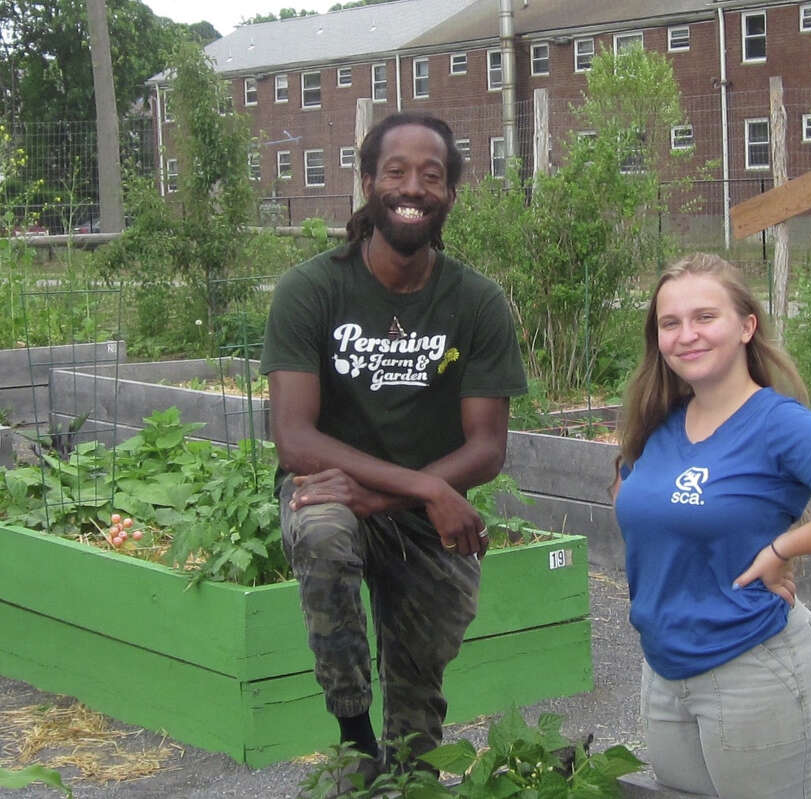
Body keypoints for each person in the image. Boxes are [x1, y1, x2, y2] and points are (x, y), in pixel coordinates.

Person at [260, 112, 527, 784]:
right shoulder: (312, 290)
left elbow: (487, 446)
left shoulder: (477, 302)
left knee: (418, 706)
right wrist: (431, 489)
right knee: (320, 529)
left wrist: (407, 492)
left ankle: (406, 768)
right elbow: (294, 438)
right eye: (397, 171)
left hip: (414, 507)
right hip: (333, 492)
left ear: (451, 196)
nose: (414, 187)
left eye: (431, 176)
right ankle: (354, 740)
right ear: (369, 183)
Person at [611, 253, 811, 799]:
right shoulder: (659, 422)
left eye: (705, 317)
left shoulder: (778, 423)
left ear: (746, 326)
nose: (686, 335)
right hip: (664, 670)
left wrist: (783, 546)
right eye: (670, 324)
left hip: (752, 666)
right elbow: (632, 497)